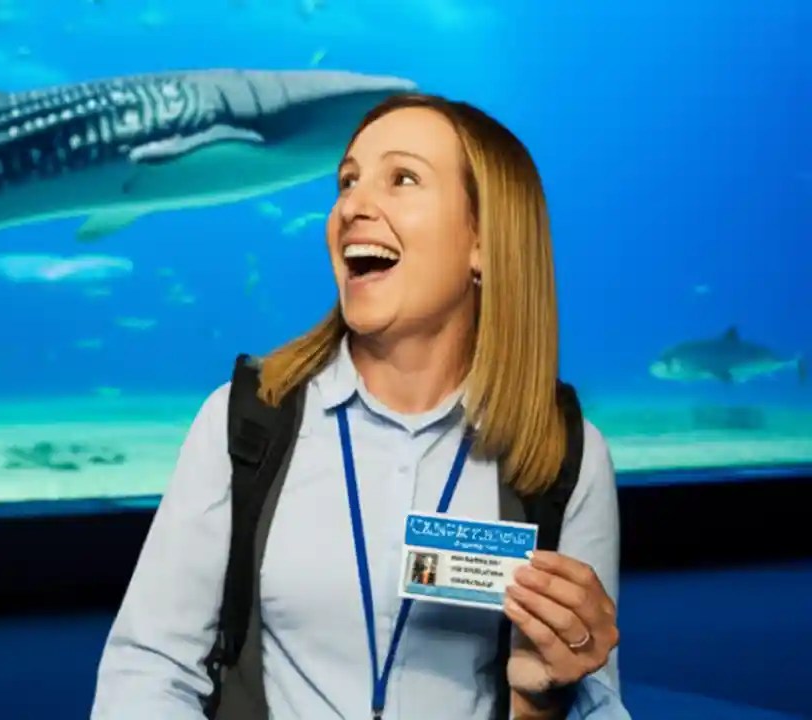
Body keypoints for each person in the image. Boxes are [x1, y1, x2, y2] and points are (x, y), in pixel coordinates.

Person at [90, 93, 628, 719]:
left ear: (485, 240)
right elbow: (149, 670)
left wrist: (543, 700)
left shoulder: (565, 455)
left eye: (402, 178)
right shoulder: (248, 422)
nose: (353, 206)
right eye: (347, 181)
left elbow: (601, 703)